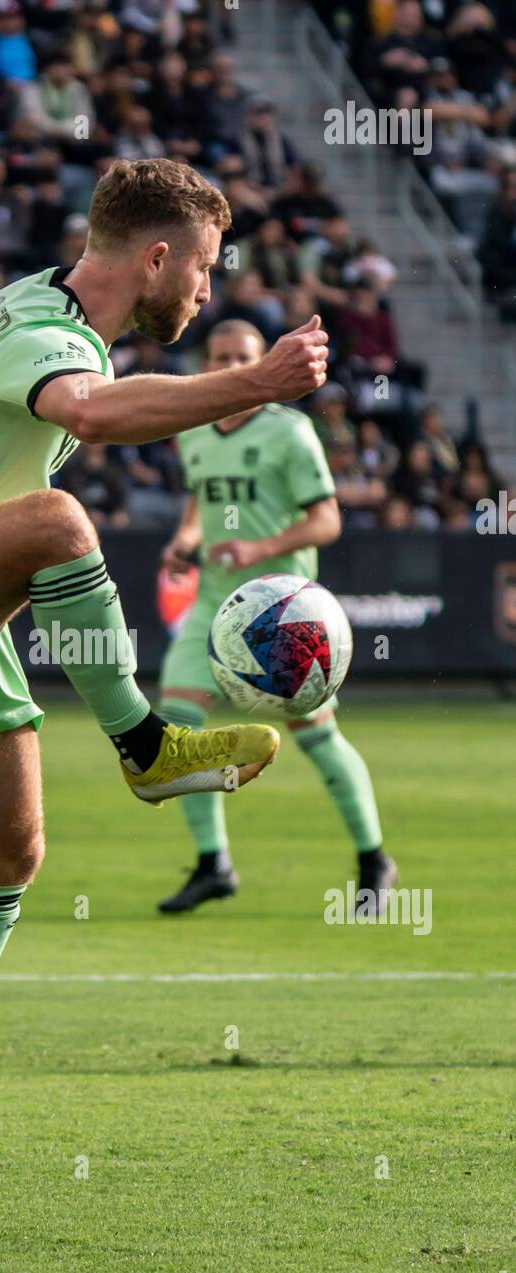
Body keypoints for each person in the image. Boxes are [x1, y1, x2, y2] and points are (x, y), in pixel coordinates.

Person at [0, 157, 327, 1212]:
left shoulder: (50, 319)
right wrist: (253, 382)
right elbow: (87, 416)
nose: (202, 293)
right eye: (203, 270)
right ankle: (144, 747)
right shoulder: (36, 331)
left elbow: (87, 407)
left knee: (4, 853)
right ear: (156, 257)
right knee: (55, 519)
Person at [157, 318, 397, 913]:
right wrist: (186, 538)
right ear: (204, 363)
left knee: (317, 739)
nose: (229, 365)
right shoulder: (193, 428)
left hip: (283, 612)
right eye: (219, 355)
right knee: (179, 728)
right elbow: (200, 498)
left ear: (262, 364)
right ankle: (214, 863)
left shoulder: (291, 433)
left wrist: (258, 550)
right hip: (215, 605)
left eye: (242, 356)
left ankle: (373, 858)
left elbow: (328, 520)